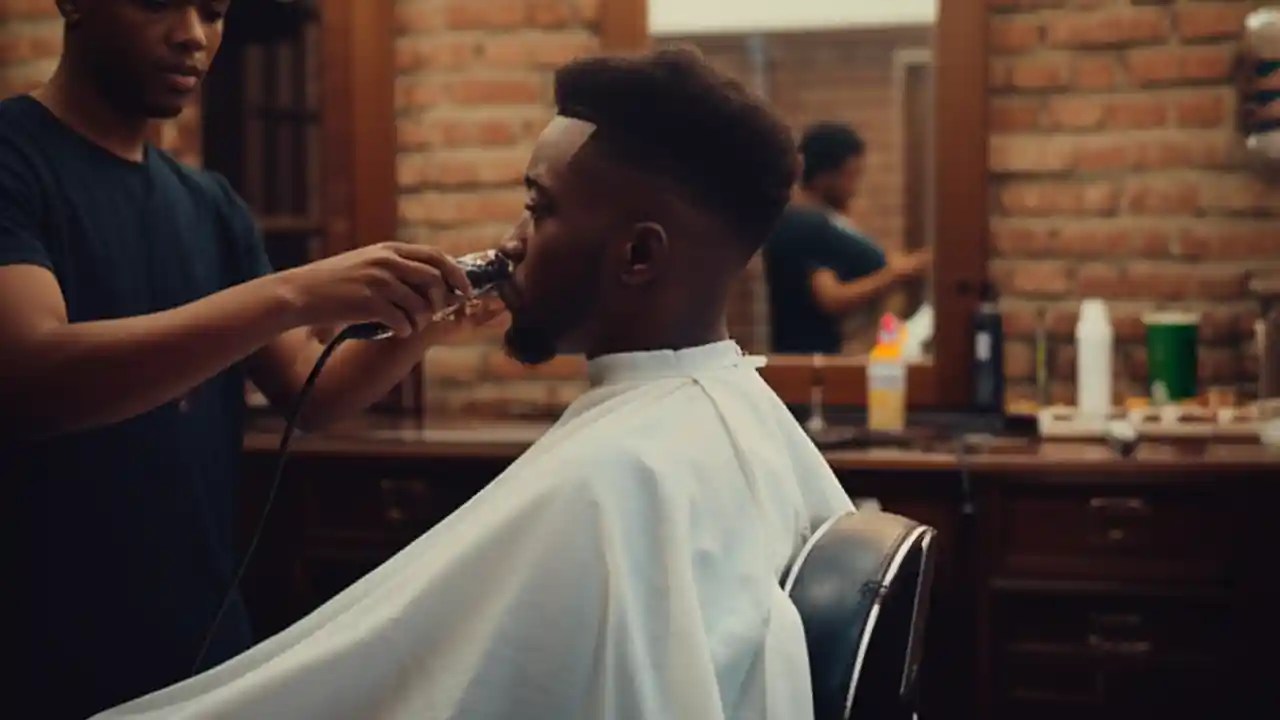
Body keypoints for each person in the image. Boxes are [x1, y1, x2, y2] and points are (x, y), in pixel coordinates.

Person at [91, 48, 855, 720]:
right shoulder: (734, 423)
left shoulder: (618, 478)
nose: (511, 242)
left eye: (537, 208)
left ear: (639, 257)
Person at [1, 3, 498, 718]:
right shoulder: (14, 160)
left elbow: (310, 393)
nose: (193, 36)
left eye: (215, 11)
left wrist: (428, 321)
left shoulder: (210, 206)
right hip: (39, 654)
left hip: (202, 646)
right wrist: (293, 292)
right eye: (159, 3)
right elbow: (29, 374)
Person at [763, 122, 931, 355]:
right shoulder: (803, 225)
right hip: (821, 360)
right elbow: (831, 297)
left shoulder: (830, 220)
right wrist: (897, 274)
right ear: (824, 176)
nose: (855, 187)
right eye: (850, 176)